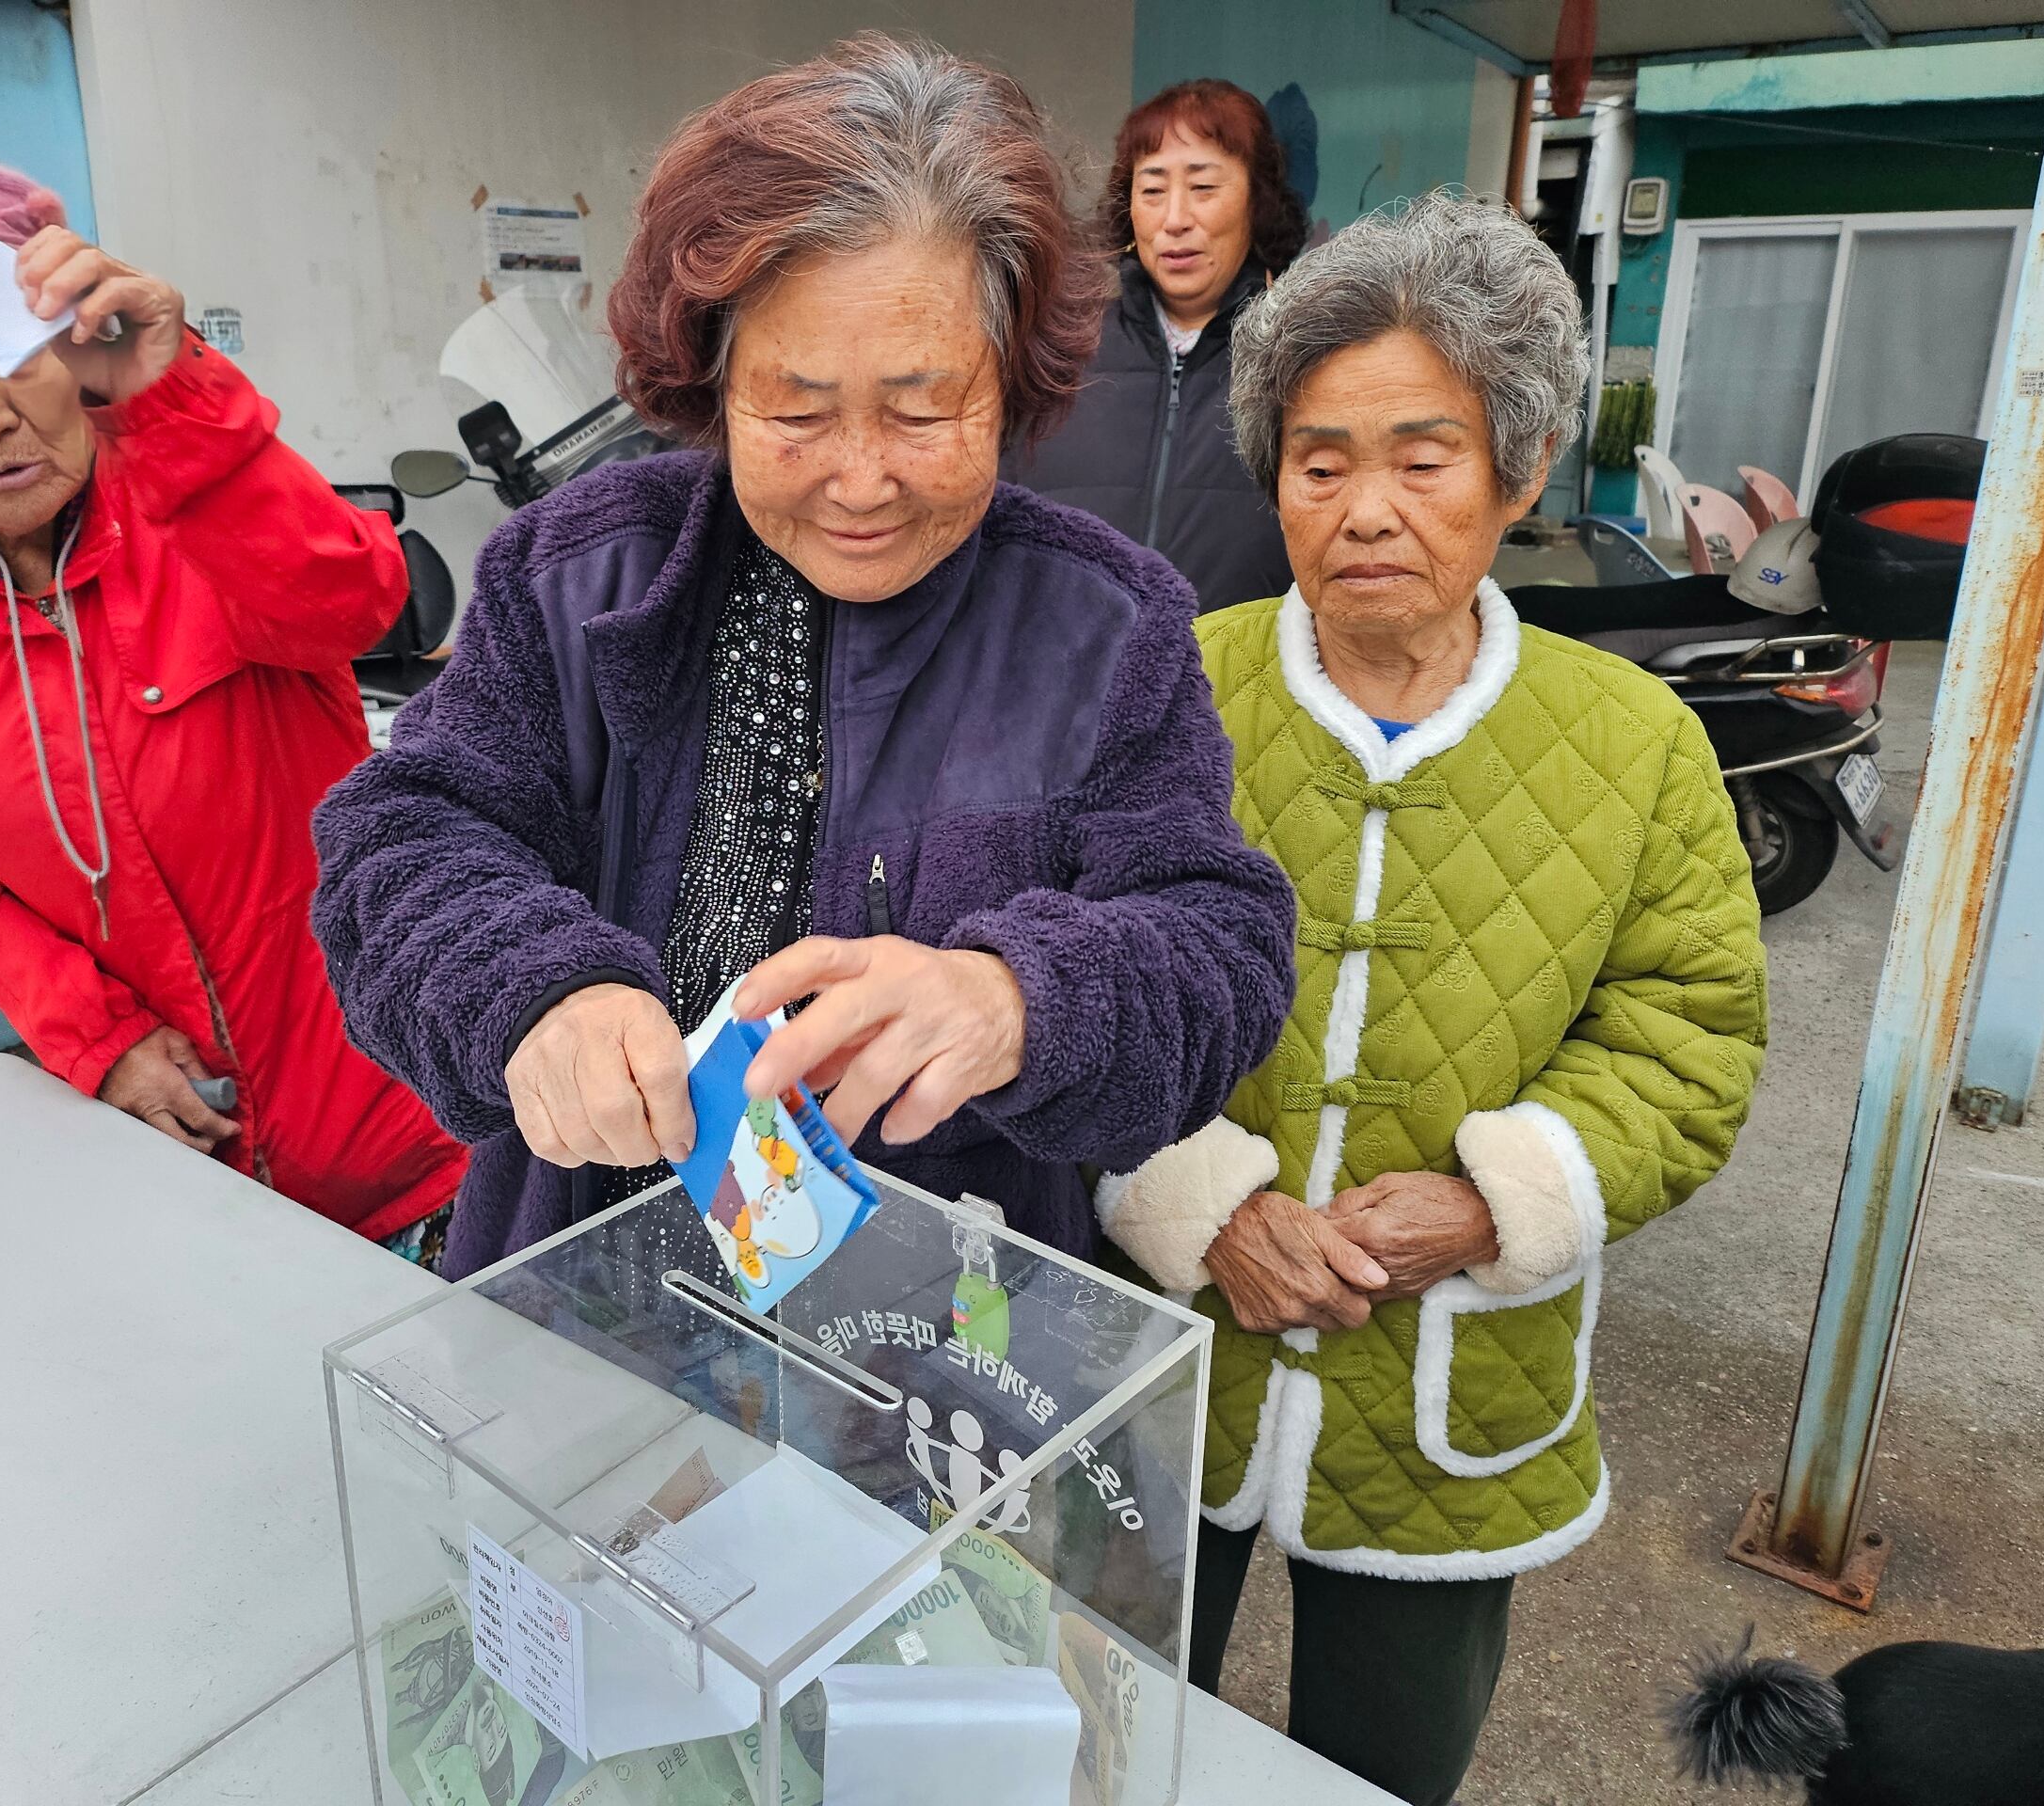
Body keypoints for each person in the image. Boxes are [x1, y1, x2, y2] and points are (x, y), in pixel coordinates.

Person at [310, 36, 1297, 1279]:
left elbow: (1217, 940)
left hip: (936, 1333)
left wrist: (1020, 999)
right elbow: (405, 840)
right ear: (712, 378)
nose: (861, 478)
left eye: (925, 408)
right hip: (580, 1293)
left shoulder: (1104, 624)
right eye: (797, 410)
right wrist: (536, 990)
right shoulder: (571, 572)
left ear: (1015, 382)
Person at [1093, 191, 1767, 1805]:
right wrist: (1203, 1205)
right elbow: (1081, 967)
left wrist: (1490, 1203)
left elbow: (1689, 1036)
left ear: (1520, 472)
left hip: (1460, 1371)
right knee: (1097, 1720)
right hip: (1176, 1341)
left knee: (1384, 1768)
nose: (1367, 508)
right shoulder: (1177, 682)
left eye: (1425, 455)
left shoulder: (1633, 742)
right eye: (1321, 461)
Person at [0, 157, 467, 1261]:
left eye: (16, 356)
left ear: (78, 358)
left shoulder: (198, 508)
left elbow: (357, 602)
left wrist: (178, 406)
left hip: (407, 1141)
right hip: (173, 1167)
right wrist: (93, 1036)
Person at [1002, 79, 1307, 613]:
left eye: (1204, 188)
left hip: (1237, 681)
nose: (1175, 220)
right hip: (1069, 679)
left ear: (1257, 203)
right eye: (1152, 190)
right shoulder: (1058, 352)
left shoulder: (1302, 361)